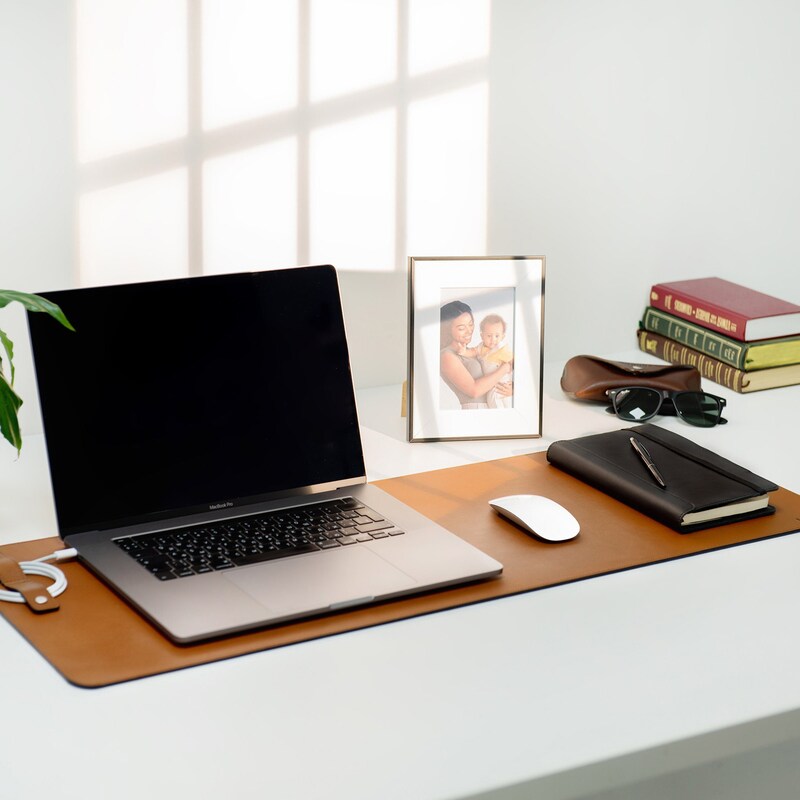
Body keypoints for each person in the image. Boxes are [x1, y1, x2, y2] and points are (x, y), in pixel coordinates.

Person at [439, 300, 512, 409]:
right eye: (461, 328)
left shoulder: (473, 351)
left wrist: (511, 388)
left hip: (494, 404)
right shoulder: (446, 356)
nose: (469, 331)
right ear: (447, 329)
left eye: (470, 324)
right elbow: (474, 391)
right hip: (476, 411)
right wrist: (506, 367)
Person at [474, 313, 514, 409]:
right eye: (489, 336)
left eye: (497, 336)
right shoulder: (481, 347)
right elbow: (472, 352)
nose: (493, 340)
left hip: (501, 385)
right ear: (482, 336)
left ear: (503, 337)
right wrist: (463, 351)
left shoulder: (502, 349)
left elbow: (516, 363)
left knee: (499, 404)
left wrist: (515, 384)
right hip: (491, 384)